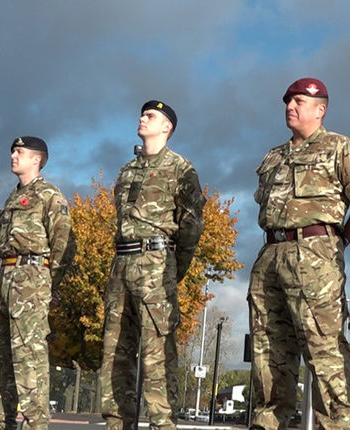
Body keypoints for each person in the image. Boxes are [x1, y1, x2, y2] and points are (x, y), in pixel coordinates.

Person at [249, 77, 350, 430]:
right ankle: (268, 421)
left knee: (324, 349)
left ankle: (336, 423)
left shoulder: (339, 147)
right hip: (270, 255)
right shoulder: (273, 156)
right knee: (268, 351)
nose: (290, 107)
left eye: (299, 102)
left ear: (320, 110)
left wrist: (339, 242)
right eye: (288, 101)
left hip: (315, 255)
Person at [100, 100, 205, 430]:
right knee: (114, 351)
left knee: (156, 353)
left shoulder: (180, 168)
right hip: (121, 263)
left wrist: (174, 268)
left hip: (156, 262)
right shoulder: (127, 170)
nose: (142, 119)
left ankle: (163, 424)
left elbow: (191, 225)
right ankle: (117, 423)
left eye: (150, 116)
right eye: (142, 114)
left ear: (166, 127)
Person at [0, 136, 76, 430]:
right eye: (12, 150)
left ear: (36, 159)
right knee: (0, 357)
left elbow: (63, 243)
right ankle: (2, 422)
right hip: (5, 278)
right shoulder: (12, 197)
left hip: (31, 277)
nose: (13, 155)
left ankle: (35, 424)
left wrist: (48, 283)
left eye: (20, 152)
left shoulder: (50, 195)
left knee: (28, 355)